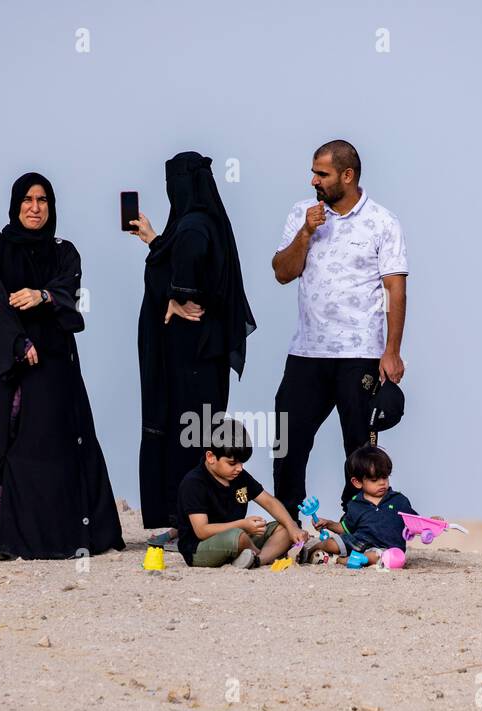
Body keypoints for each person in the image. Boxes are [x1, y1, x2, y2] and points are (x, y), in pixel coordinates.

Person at [0, 172, 124, 560]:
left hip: (54, 366)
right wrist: (18, 342)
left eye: (43, 201)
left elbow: (67, 291)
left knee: (55, 448)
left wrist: (41, 295)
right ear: (15, 204)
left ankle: (60, 535)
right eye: (27, 200)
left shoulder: (63, 251)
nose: (35, 208)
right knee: (0, 444)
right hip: (8, 364)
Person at [270, 139, 409, 513]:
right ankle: (287, 520)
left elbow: (395, 288)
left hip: (360, 353)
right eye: (313, 172)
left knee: (359, 445)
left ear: (347, 176)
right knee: (288, 437)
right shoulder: (303, 213)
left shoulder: (382, 221)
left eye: (322, 174)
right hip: (307, 351)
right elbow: (283, 273)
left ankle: (358, 520)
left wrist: (392, 351)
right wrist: (305, 234)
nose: (313, 180)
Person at [130, 151, 256, 542]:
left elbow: (186, 271)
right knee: (200, 434)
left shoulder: (193, 228)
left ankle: (186, 524)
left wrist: (176, 294)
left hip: (187, 358)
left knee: (183, 435)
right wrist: (154, 240)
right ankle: (192, 522)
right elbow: (181, 259)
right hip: (205, 357)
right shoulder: (205, 222)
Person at [175, 419, 306, 569]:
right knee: (238, 537)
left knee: (285, 526)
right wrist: (242, 525)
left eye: (242, 463)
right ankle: (266, 555)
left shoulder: (239, 477)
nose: (239, 468)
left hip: (241, 537)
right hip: (200, 548)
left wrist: (292, 527)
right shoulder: (194, 483)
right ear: (211, 457)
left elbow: (269, 502)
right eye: (232, 463)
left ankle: (258, 560)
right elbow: (202, 531)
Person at [307, 446, 424, 566]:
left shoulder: (399, 500)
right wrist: (328, 524)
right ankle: (309, 551)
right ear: (357, 482)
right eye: (374, 480)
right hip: (358, 541)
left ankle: (339, 560)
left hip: (385, 548)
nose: (382, 482)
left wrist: (431, 523)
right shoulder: (356, 504)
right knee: (331, 543)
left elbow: (416, 522)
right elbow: (346, 528)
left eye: (384, 477)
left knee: (379, 558)